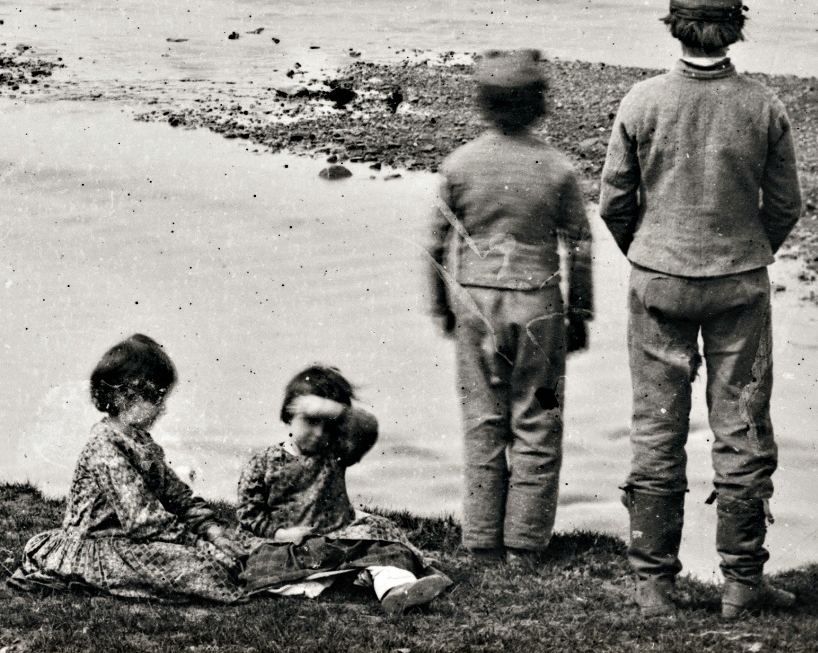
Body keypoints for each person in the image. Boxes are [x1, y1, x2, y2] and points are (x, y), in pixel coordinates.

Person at [600, 0, 802, 618]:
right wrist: (750, 254)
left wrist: (651, 255)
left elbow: (614, 203)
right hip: (739, 279)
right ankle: (742, 582)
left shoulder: (641, 100)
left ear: (674, 24)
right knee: (742, 423)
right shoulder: (763, 105)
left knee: (656, 423)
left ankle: (653, 584)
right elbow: (786, 205)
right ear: (737, 26)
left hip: (659, 277)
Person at [427, 50, 593, 566]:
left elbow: (437, 244)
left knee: (483, 420)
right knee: (538, 419)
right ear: (539, 105)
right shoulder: (558, 168)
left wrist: (441, 307)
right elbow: (580, 246)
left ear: (483, 104)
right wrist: (580, 313)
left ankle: (480, 541)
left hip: (476, 301)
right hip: (538, 301)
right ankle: (524, 544)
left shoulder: (459, 164)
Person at [11, 334, 248, 603]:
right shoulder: (104, 446)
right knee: (202, 567)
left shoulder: (143, 443)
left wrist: (212, 530)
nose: (163, 409)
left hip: (127, 541)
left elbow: (178, 497)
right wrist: (199, 544)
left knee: (221, 556)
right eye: (157, 398)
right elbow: (143, 521)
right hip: (96, 547)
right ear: (125, 394)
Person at [236, 364, 451, 614]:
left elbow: (367, 427)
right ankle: (347, 579)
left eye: (328, 425)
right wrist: (280, 533)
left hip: (339, 535)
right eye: (311, 421)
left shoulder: (335, 454)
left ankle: (397, 591)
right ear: (288, 414)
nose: (319, 433)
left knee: (387, 545)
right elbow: (249, 515)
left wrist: (331, 409)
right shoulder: (262, 462)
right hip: (290, 543)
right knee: (263, 564)